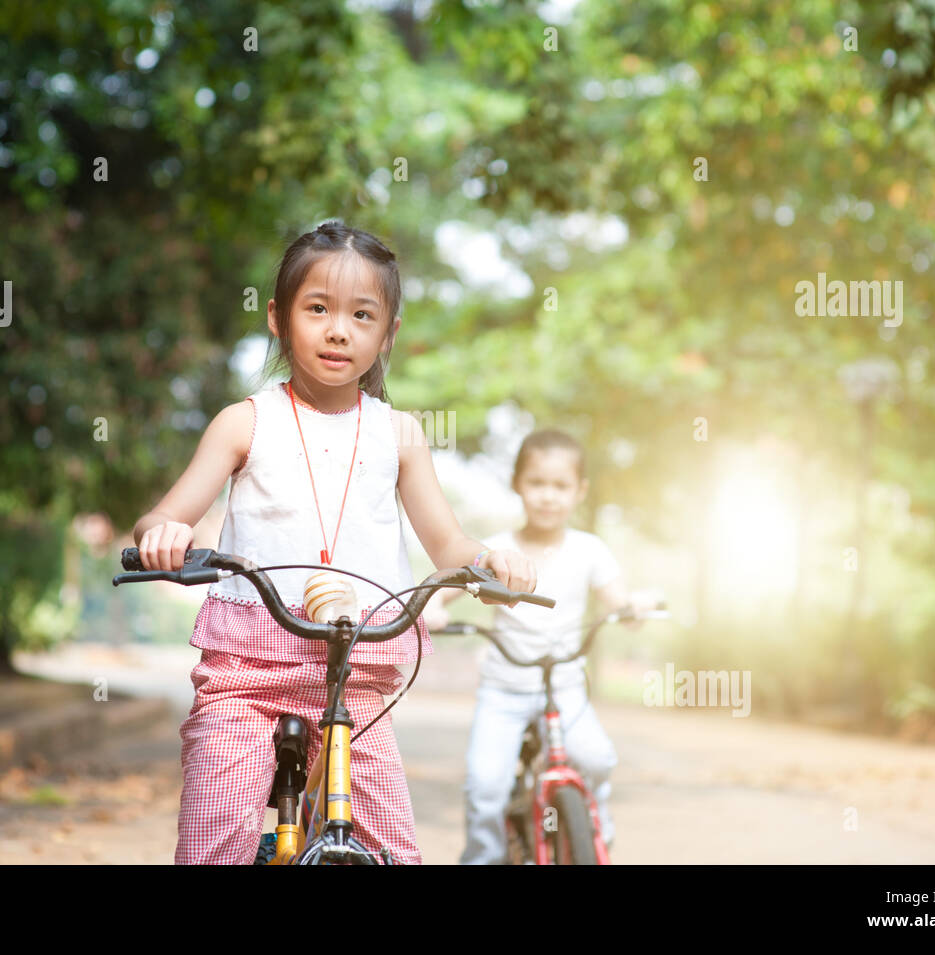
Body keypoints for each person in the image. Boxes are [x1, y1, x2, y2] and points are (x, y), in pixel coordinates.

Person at [131, 220, 538, 865]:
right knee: (218, 833)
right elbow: (164, 515)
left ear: (389, 332)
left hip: (355, 677)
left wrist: (491, 561)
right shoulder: (246, 422)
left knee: (391, 846)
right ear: (279, 317)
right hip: (249, 675)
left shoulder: (400, 434)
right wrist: (164, 535)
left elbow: (448, 544)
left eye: (362, 314)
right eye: (317, 308)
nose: (338, 329)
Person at [424, 429, 654, 864]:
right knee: (485, 786)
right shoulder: (498, 551)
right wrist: (433, 607)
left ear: (579, 491)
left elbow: (619, 601)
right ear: (518, 484)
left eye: (561, 486)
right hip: (504, 689)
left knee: (598, 758)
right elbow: (448, 588)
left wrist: (632, 607)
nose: (548, 496)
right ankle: (483, 856)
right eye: (537, 483)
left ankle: (596, 827)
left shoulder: (590, 550)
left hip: (564, 685)